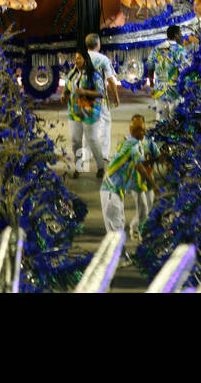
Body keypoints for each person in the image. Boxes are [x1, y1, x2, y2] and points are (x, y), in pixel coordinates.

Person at [99, 113, 157, 243]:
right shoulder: (134, 146)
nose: (142, 132)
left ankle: (118, 257)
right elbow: (140, 167)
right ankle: (120, 257)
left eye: (143, 129)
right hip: (111, 192)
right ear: (131, 130)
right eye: (138, 130)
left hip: (113, 191)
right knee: (117, 230)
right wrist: (155, 187)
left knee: (116, 231)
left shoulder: (126, 140)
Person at [63, 48, 105, 177]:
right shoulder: (71, 74)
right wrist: (64, 94)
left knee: (91, 139)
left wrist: (85, 92)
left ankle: (100, 166)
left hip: (90, 112)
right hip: (74, 112)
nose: (77, 61)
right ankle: (79, 168)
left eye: (79, 58)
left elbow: (101, 92)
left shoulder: (94, 75)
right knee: (75, 141)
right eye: (75, 58)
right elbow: (67, 88)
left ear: (86, 60)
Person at [85, 32, 120, 161]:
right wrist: (116, 98)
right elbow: (111, 81)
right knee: (104, 124)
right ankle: (103, 154)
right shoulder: (103, 59)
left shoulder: (81, 58)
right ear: (97, 44)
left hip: (84, 98)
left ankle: (85, 155)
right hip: (100, 98)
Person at [153, 24, 191, 113]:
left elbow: (150, 67)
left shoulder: (156, 49)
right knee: (175, 120)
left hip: (160, 90)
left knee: (160, 119)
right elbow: (185, 70)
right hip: (175, 91)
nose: (181, 35)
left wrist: (151, 84)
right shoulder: (180, 50)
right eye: (180, 33)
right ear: (175, 35)